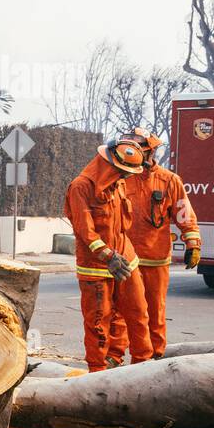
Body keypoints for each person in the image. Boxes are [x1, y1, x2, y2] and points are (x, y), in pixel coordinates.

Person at [108, 129, 201, 358]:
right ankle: (114, 355)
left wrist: (193, 243)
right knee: (119, 309)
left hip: (155, 258)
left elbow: (183, 213)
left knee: (153, 310)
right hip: (125, 258)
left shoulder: (169, 180)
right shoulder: (120, 180)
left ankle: (155, 355)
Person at [64, 138, 153, 370]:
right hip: (95, 266)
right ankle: (98, 370)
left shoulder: (118, 184)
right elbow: (85, 230)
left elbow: (122, 225)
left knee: (137, 312)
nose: (126, 177)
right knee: (98, 322)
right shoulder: (80, 187)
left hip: (125, 259)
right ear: (109, 164)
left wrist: (120, 256)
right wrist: (107, 256)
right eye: (123, 172)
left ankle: (143, 364)